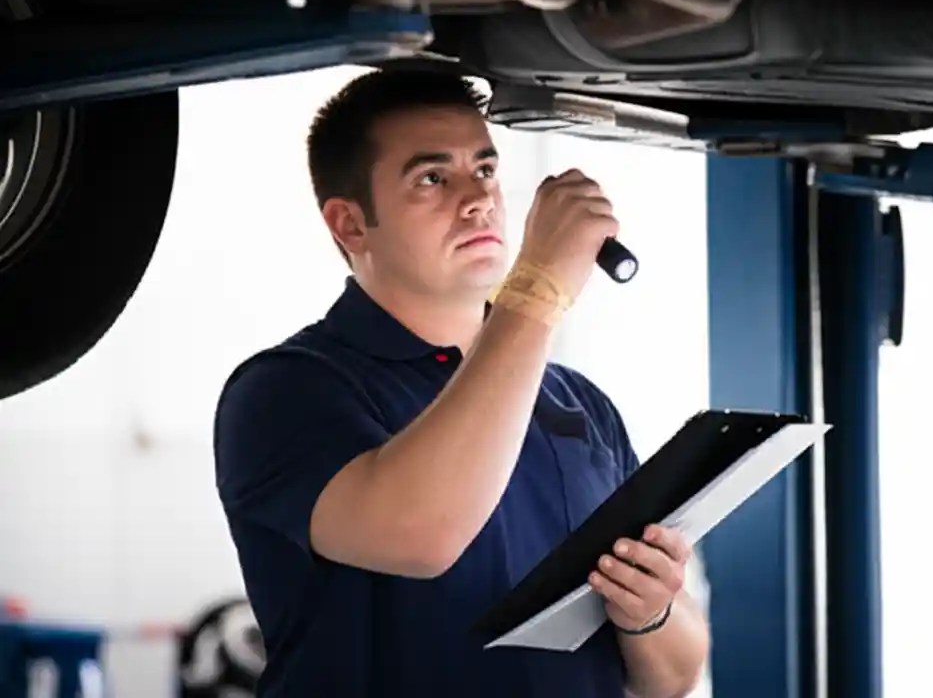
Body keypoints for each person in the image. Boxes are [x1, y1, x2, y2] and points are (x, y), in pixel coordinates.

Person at [212, 69, 710, 697]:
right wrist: (536, 289)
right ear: (350, 225)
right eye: (431, 178)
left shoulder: (578, 404)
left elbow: (675, 678)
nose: (476, 199)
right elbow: (422, 534)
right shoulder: (285, 392)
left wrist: (652, 614)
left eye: (485, 170)